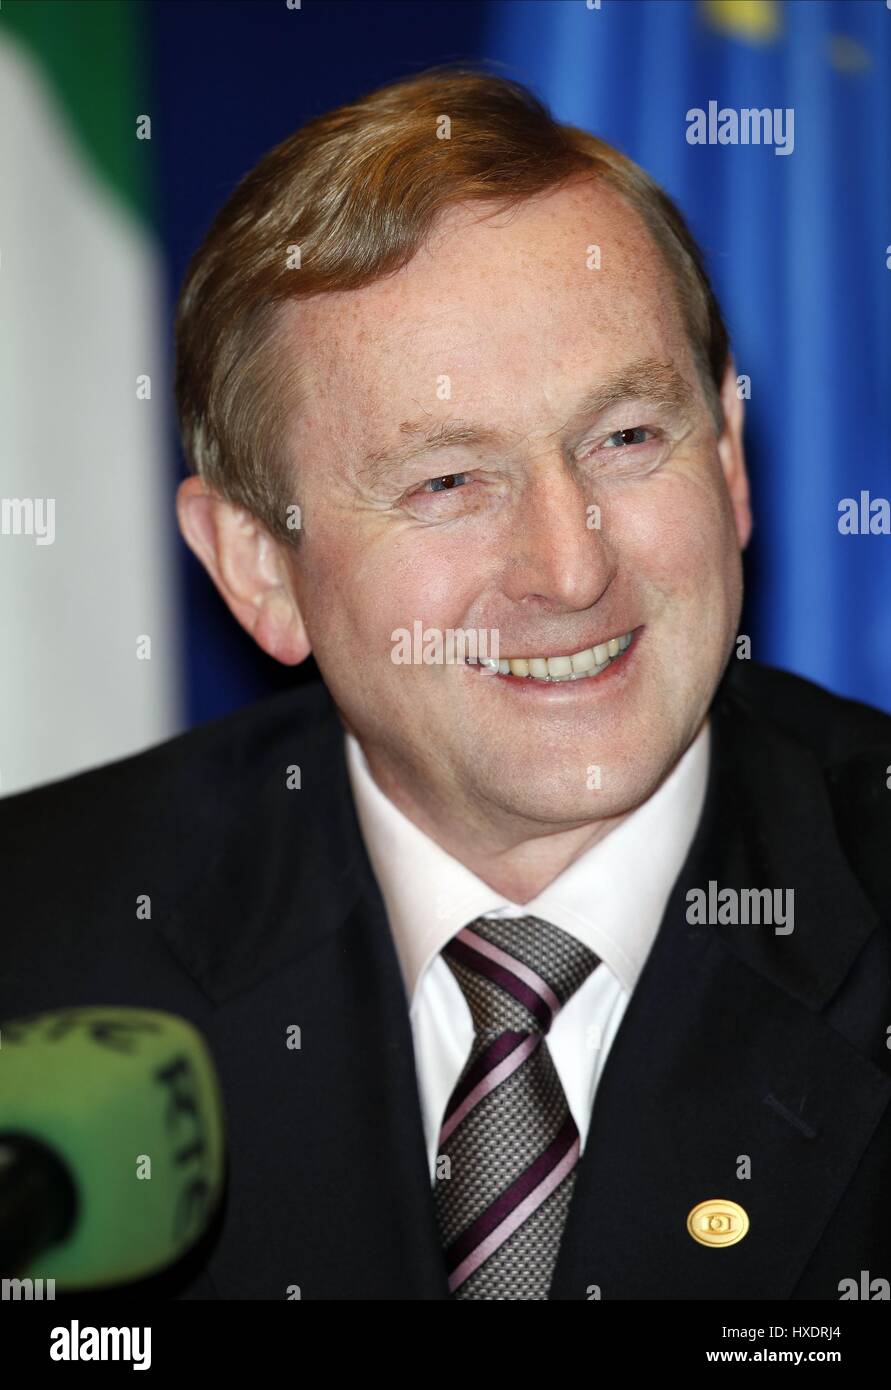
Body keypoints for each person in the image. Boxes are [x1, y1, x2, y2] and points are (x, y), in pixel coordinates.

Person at [3, 67, 890, 1301]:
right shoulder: (35, 952)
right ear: (259, 566)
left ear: (731, 458)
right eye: (447, 483)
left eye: (626, 438)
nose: (571, 568)